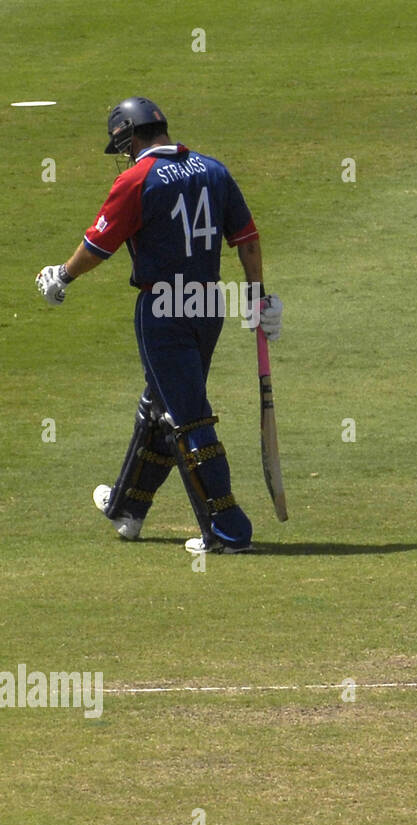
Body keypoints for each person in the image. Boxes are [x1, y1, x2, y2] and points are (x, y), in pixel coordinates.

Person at [36, 96, 280, 555]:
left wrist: (62, 274)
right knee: (159, 404)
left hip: (163, 311)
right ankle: (128, 508)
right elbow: (246, 239)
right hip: (208, 306)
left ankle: (228, 531)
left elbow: (98, 245)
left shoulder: (137, 179)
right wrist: (256, 295)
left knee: (187, 418)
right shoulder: (214, 170)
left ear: (130, 137)